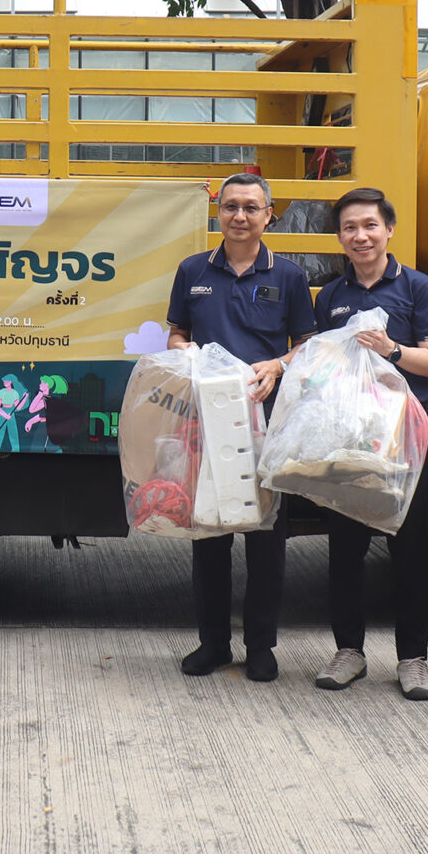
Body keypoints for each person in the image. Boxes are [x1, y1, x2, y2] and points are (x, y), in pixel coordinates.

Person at [164, 172, 315, 682]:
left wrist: (277, 365)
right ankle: (213, 644)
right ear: (219, 213)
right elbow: (177, 333)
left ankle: (261, 646)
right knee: (209, 531)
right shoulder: (193, 270)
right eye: (230, 206)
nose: (240, 216)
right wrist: (184, 351)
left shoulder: (289, 276)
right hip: (208, 420)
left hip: (265, 420)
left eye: (251, 207)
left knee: (266, 537)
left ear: (269, 215)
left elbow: (306, 346)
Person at [310, 186, 428, 701]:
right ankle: (349, 652)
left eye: (370, 225)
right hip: (347, 436)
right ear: (340, 237)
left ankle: (414, 660)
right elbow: (321, 362)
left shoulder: (418, 288)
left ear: (389, 229)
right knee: (344, 549)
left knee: (409, 551)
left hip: (402, 437)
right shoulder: (330, 296)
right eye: (349, 227)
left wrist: (391, 349)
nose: (360, 236)